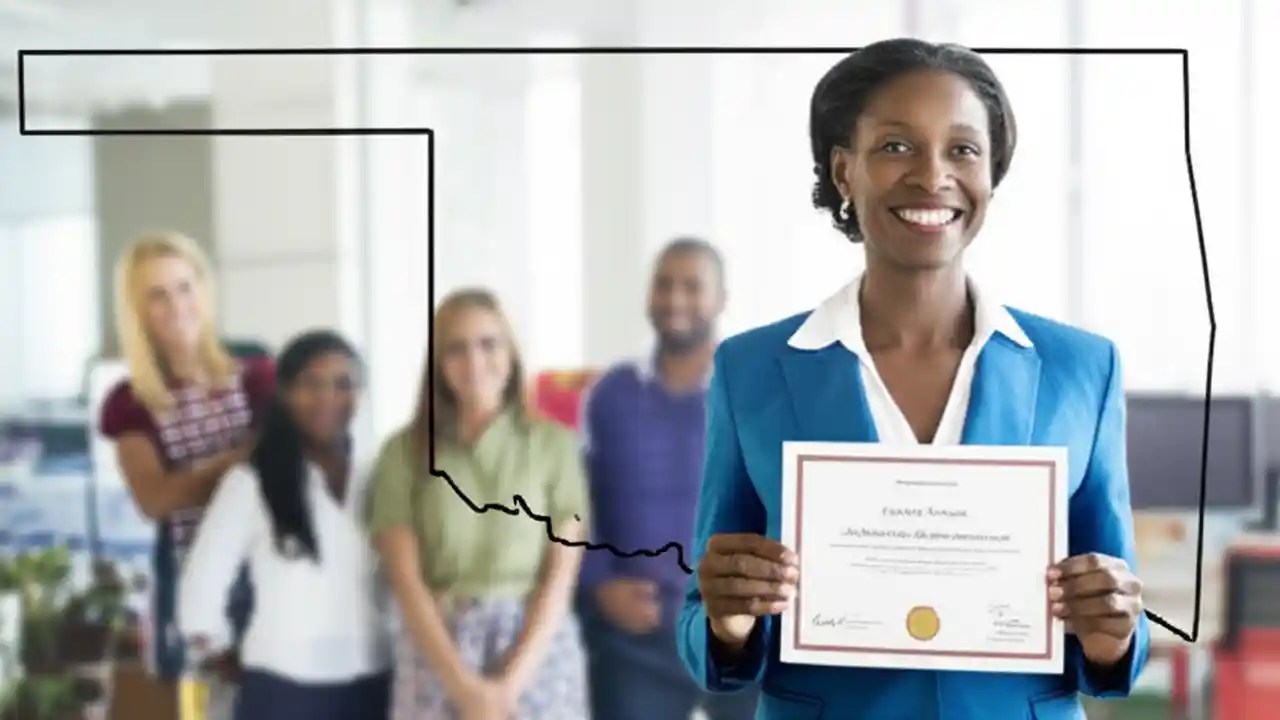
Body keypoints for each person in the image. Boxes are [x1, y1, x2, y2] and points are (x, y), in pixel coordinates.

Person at [676, 38, 1150, 719]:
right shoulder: (750, 370)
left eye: (963, 150)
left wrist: (1111, 633)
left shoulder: (1083, 369)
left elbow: (1116, 626)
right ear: (844, 170)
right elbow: (705, 623)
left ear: (991, 174)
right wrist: (726, 623)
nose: (933, 176)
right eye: (896, 146)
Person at [365, 288, 591, 720]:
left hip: (535, 652)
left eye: (489, 344)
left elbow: (560, 576)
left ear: (511, 353)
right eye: (456, 348)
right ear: (438, 362)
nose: (474, 361)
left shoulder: (554, 445)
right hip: (437, 650)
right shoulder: (404, 452)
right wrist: (463, 687)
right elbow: (404, 579)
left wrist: (507, 687)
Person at [577, 238, 757, 720]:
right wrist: (601, 585)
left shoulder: (752, 391)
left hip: (736, 633)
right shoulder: (610, 394)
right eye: (664, 284)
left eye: (692, 286)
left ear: (721, 299)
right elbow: (577, 504)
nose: (675, 298)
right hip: (633, 637)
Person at [98, 231, 273, 718]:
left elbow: (285, 465)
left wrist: (201, 477)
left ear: (203, 289)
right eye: (157, 295)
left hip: (270, 570)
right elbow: (155, 499)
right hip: (198, 585)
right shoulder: (131, 403)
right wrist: (240, 461)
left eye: (184, 286)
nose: (177, 305)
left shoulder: (257, 373)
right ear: (137, 311)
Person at [177, 330, 392, 720]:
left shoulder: (379, 475)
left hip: (373, 686)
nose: (328, 397)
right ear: (285, 393)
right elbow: (199, 599)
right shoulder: (251, 482)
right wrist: (230, 662)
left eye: (343, 384)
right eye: (312, 384)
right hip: (282, 691)